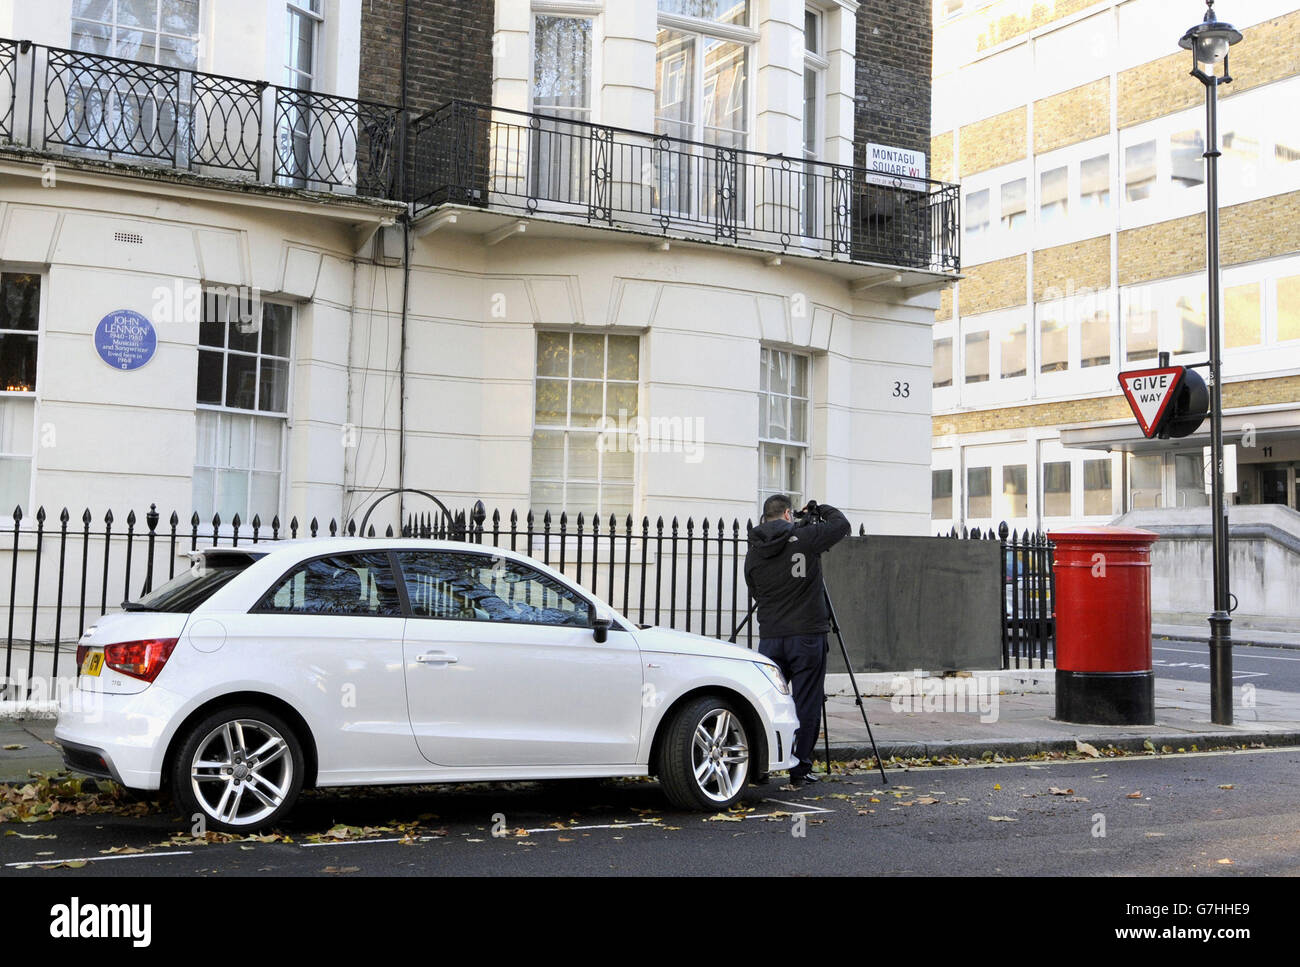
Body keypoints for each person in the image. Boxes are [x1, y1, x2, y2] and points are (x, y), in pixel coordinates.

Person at [744, 494, 851, 788]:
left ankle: (761, 766)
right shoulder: (805, 539)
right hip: (806, 635)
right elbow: (841, 524)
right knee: (806, 701)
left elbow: (755, 590)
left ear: (765, 517)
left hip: (771, 638)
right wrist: (818, 509)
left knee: (767, 702)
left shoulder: (754, 550)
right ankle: (799, 768)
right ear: (788, 514)